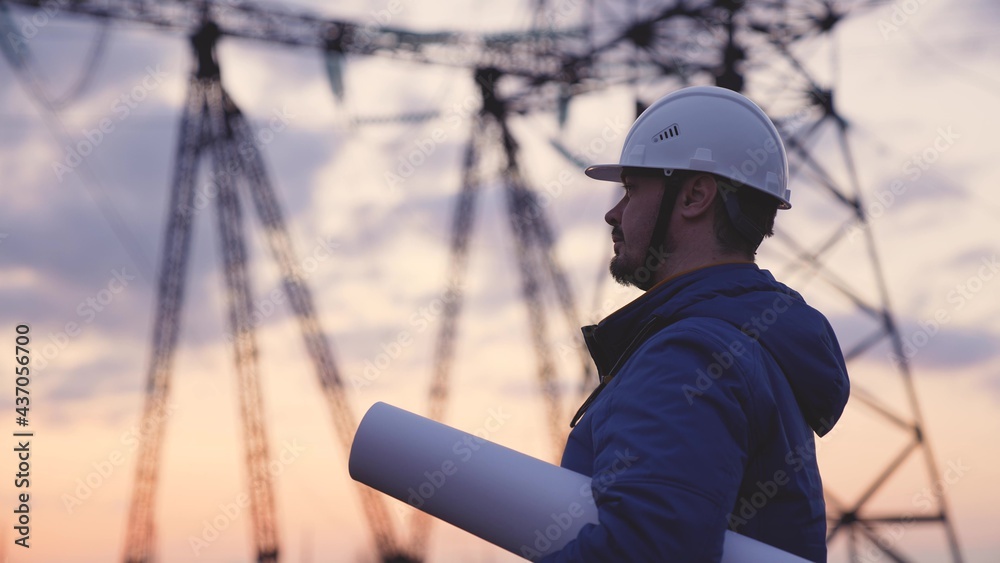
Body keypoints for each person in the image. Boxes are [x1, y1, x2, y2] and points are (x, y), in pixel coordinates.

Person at [540, 86, 850, 562]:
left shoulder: (690, 356)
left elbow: (646, 551)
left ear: (695, 195)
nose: (613, 213)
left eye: (631, 190)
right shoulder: (748, 344)